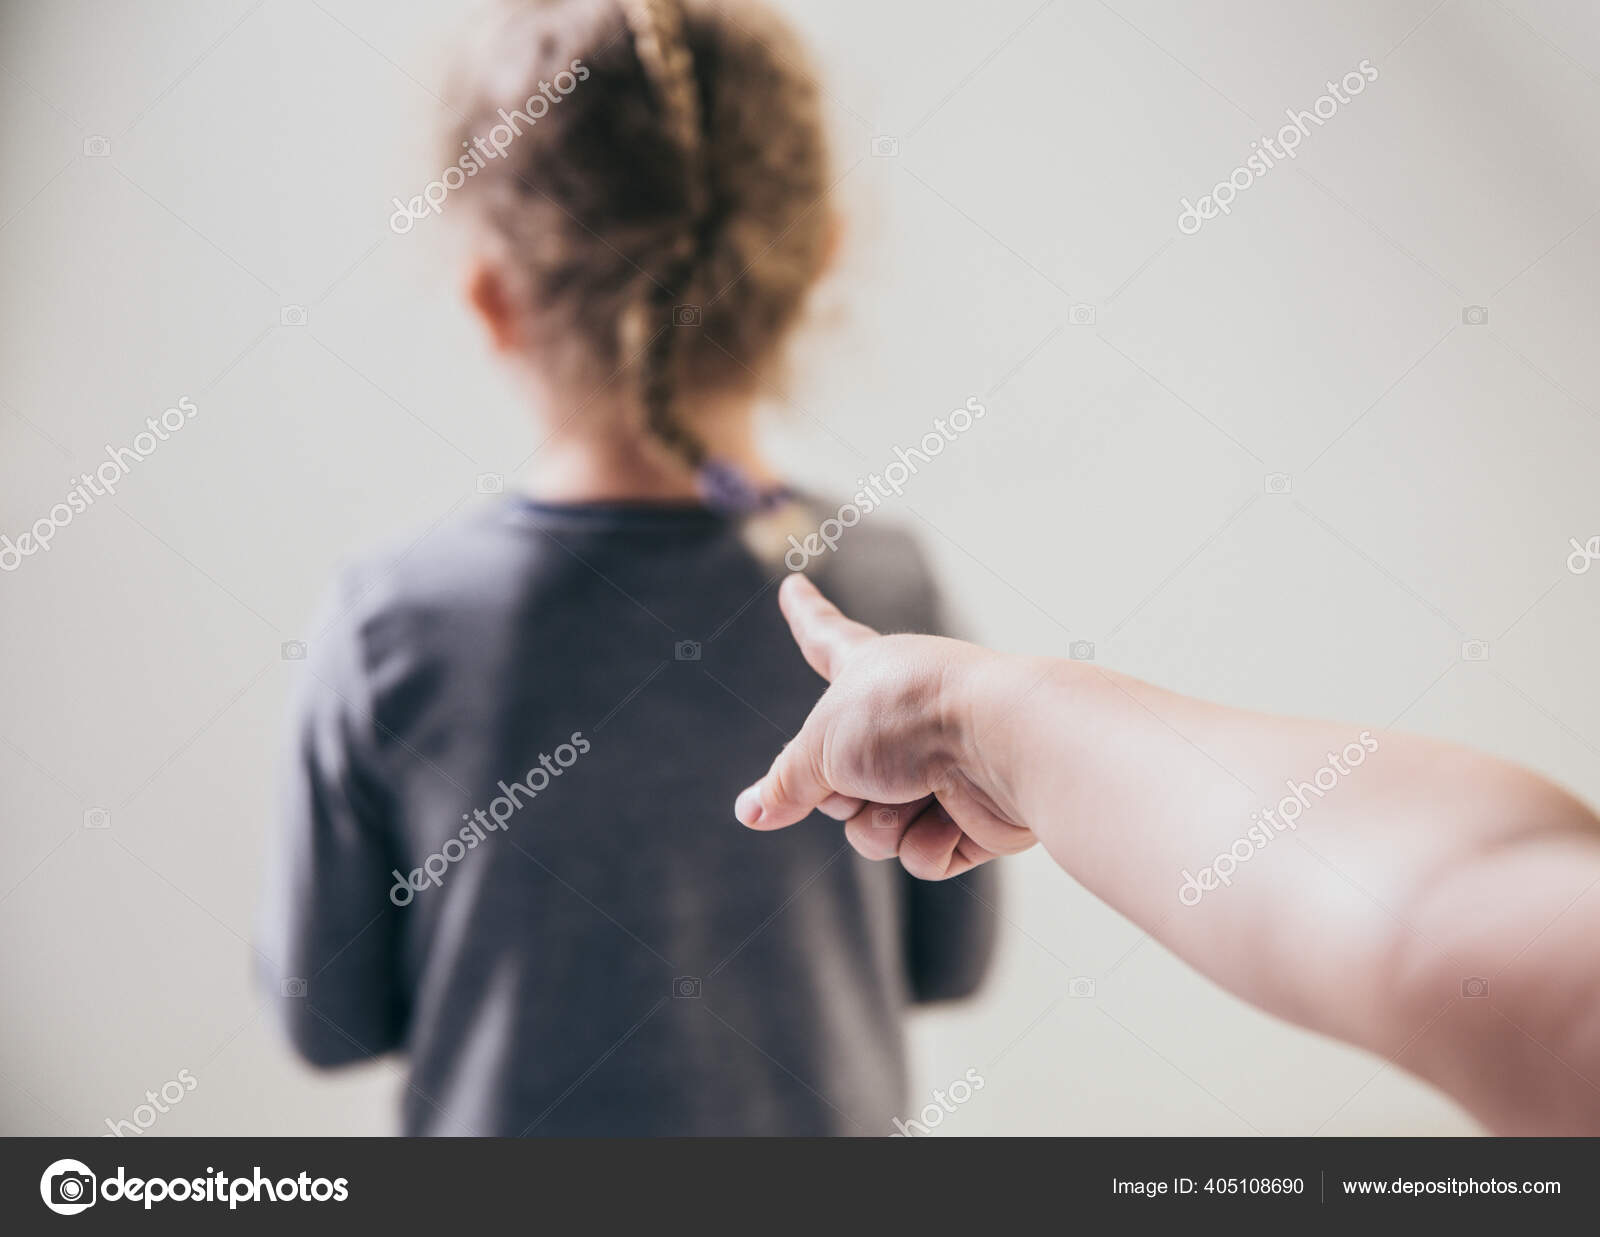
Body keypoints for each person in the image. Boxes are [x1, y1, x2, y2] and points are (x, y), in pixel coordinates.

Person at [259, 0, 996, 1136]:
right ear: (817, 261)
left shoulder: (392, 625)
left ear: (494, 300)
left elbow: (326, 1020)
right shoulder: (884, 592)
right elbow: (950, 958)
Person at [737, 573, 1600, 1135]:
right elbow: (950, 962)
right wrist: (966, 717)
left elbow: (1469, 928)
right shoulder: (880, 557)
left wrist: (970, 716)